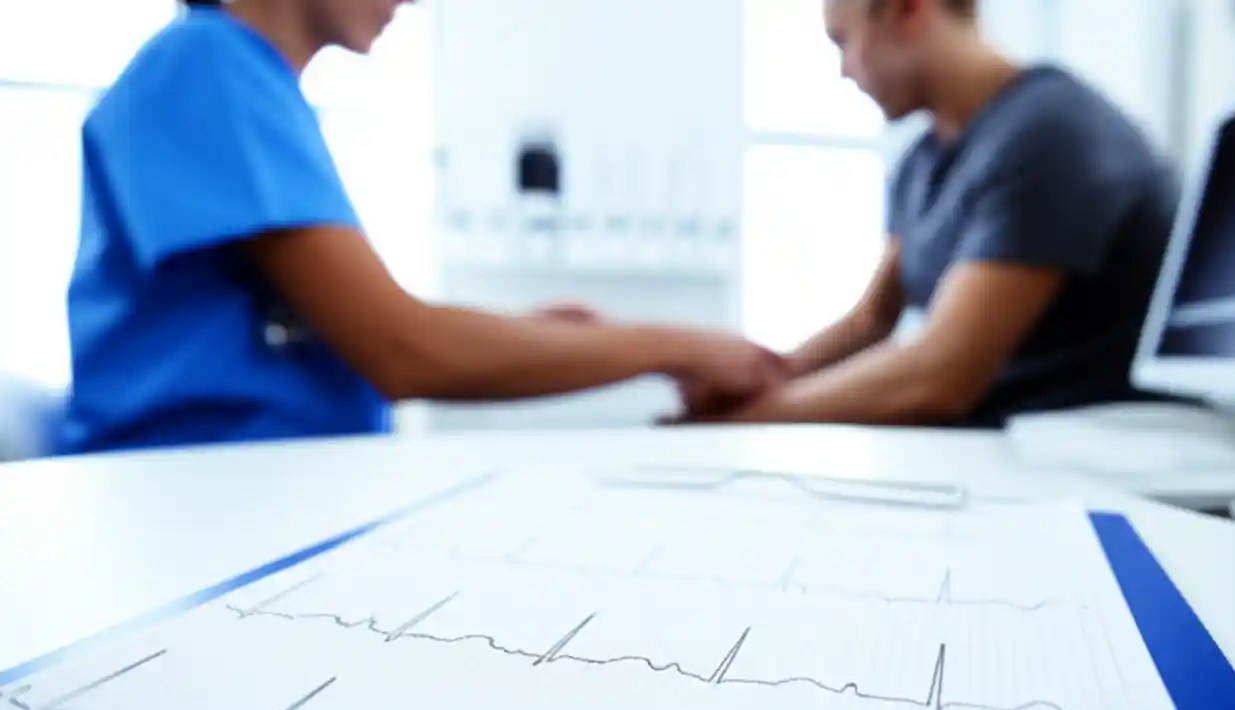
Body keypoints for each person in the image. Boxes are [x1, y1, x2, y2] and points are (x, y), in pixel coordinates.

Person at [58, 0, 783, 455]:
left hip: (252, 483)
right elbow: (401, 349)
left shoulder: (248, 82)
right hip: (195, 495)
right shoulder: (206, 62)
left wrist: (526, 333)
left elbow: (321, 332)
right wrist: (676, 346)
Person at [686, 0, 1179, 427]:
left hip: (1074, 452)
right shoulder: (922, 160)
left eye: (844, 41)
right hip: (991, 441)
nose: (843, 70)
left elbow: (941, 376)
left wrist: (749, 417)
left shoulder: (1051, 134)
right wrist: (769, 375)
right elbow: (870, 319)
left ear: (909, 10)